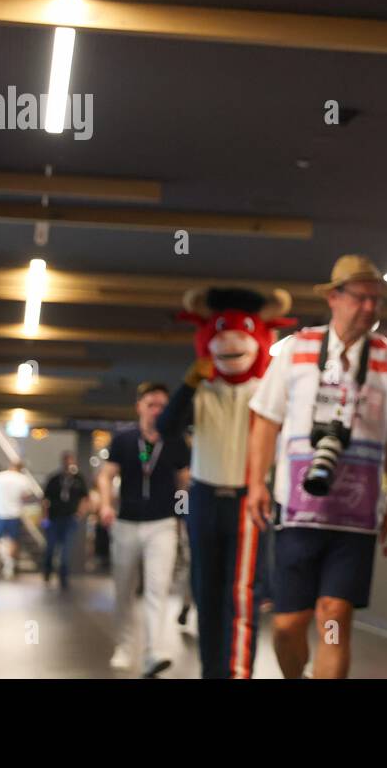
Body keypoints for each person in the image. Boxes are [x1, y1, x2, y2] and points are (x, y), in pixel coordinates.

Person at [247, 255, 387, 679]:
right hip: (298, 511)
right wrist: (256, 485)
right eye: (361, 299)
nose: (370, 309)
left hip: (354, 518)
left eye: (377, 301)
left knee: (335, 619)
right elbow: (266, 420)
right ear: (333, 297)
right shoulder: (296, 349)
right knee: (288, 625)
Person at [157, 287, 292, 679]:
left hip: (248, 499)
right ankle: (210, 671)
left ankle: (237, 672)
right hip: (203, 498)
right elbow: (166, 428)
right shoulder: (201, 392)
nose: (231, 342)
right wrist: (188, 382)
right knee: (205, 590)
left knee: (242, 594)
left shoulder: (266, 392)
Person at [99, 382, 190, 678]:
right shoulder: (124, 438)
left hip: (162, 524)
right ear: (139, 406)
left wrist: (181, 518)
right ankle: (124, 646)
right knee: (123, 587)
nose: (156, 411)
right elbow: (107, 475)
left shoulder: (175, 441)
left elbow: (183, 484)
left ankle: (153, 651)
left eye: (162, 406)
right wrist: (105, 505)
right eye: (151, 404)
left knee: (157, 588)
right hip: (126, 523)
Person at [0, 460, 37, 580]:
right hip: (14, 513)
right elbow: (26, 496)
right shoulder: (22, 479)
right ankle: (8, 568)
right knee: (13, 540)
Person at [41, 451, 89, 589]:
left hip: (70, 519)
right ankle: (48, 571)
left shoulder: (79, 480)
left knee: (66, 549)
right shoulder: (55, 479)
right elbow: (46, 500)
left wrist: (80, 514)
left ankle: (63, 577)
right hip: (54, 518)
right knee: (50, 547)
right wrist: (45, 517)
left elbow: (85, 498)